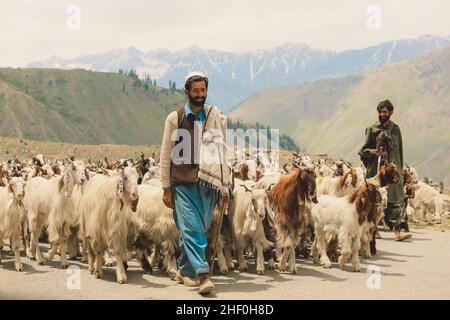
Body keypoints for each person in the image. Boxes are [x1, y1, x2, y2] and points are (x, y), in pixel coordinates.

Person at [159, 71, 229, 295]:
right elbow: (165, 154)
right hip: (182, 184)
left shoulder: (215, 117)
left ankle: (184, 270)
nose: (200, 95)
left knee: (200, 228)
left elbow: (222, 153)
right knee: (191, 229)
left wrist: (225, 185)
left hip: (209, 184)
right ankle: (203, 274)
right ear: (187, 92)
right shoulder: (175, 118)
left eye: (203, 90)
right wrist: (166, 188)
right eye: (196, 91)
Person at [359, 99, 412, 248]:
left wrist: (399, 170)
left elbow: (399, 151)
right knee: (372, 201)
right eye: (380, 112)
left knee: (396, 197)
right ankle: (368, 235)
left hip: (391, 170)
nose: (382, 115)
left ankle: (398, 231)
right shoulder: (372, 129)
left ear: (391, 113)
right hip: (377, 171)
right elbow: (363, 151)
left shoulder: (395, 129)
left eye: (385, 112)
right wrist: (374, 152)